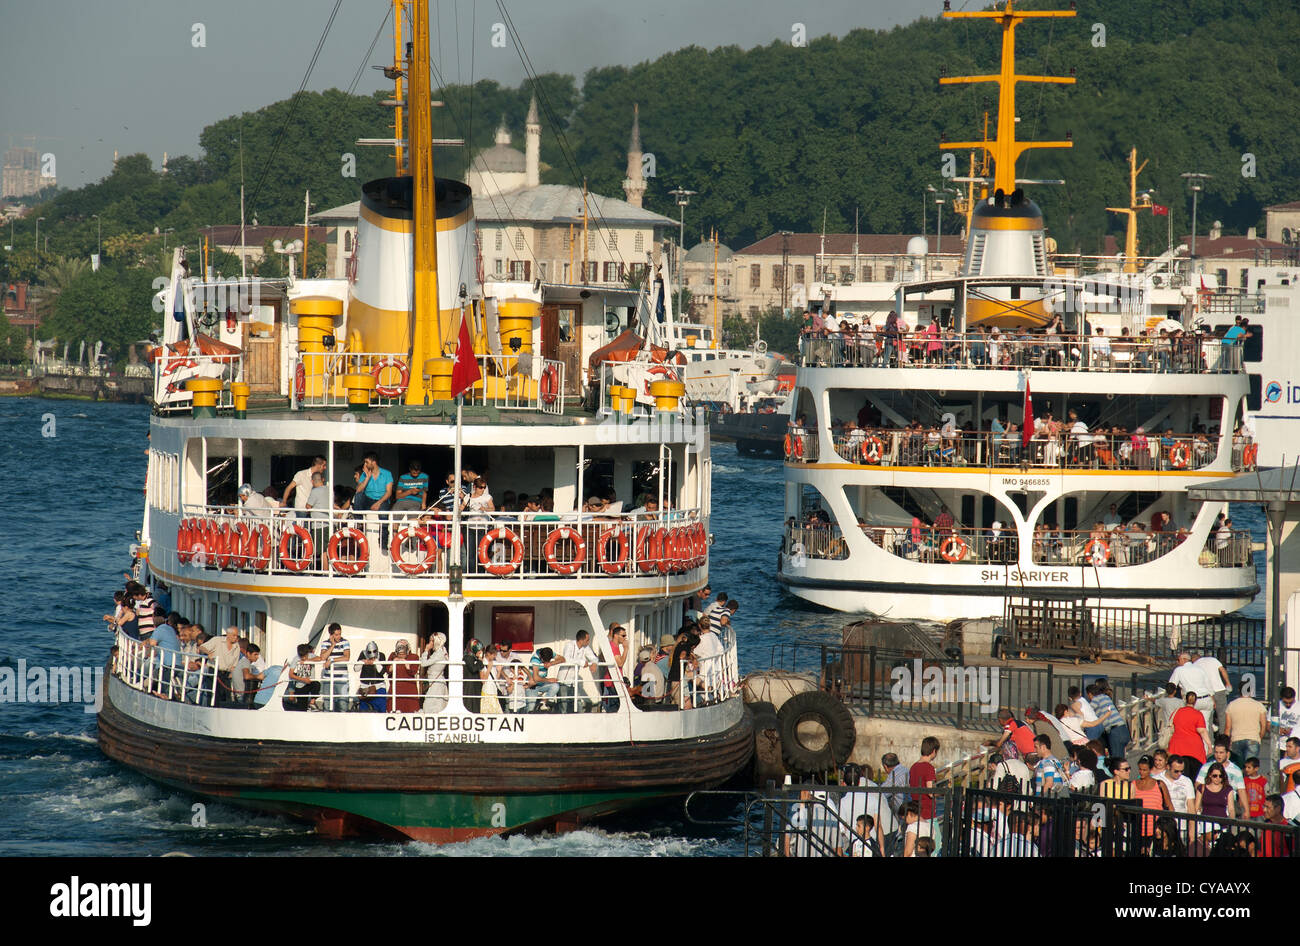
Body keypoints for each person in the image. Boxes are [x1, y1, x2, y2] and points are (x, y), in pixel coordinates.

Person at [1195, 736, 1249, 814]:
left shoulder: (1236, 770)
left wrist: (1247, 810)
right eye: (1216, 752)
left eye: (1221, 753)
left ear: (1227, 753)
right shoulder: (1206, 767)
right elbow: (1198, 785)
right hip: (1209, 805)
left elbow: (1241, 790)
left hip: (1229, 807)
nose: (1218, 755)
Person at [1168, 691, 1211, 779]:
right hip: (1194, 748)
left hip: (1177, 745)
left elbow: (1171, 726)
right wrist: (1209, 745)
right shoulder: (1198, 714)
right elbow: (1202, 731)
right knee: (1196, 773)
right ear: (1195, 702)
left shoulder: (1177, 712)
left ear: (1185, 700)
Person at [1226, 682, 1269, 766]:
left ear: (1239, 690)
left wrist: (1227, 742)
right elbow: (1263, 726)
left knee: (1237, 767)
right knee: (1250, 767)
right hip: (1253, 738)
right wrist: (1259, 738)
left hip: (1236, 738)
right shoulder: (1259, 705)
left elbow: (1228, 727)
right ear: (1251, 691)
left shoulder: (1231, 705)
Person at [909, 736, 939, 845]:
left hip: (916, 810)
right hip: (928, 812)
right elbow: (930, 792)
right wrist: (942, 793)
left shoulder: (913, 767)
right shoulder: (929, 768)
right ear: (934, 751)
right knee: (936, 844)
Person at [315, 623, 352, 712]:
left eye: (340, 634)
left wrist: (331, 660)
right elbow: (323, 657)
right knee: (327, 705)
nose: (339, 636)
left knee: (343, 705)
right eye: (336, 635)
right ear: (331, 635)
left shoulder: (345, 642)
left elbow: (346, 657)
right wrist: (332, 645)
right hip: (328, 679)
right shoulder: (325, 643)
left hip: (342, 679)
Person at [353, 641, 389, 712]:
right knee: (364, 710)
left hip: (379, 687)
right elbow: (355, 669)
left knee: (381, 709)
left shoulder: (381, 655)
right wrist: (363, 662)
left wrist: (375, 662)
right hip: (365, 687)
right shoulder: (363, 654)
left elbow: (382, 671)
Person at [283, 643, 320, 711]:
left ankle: (312, 702)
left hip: (309, 683)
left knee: (317, 684)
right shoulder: (296, 659)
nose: (303, 658)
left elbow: (319, 658)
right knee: (302, 708)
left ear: (307, 653)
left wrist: (308, 660)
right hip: (300, 685)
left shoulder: (311, 656)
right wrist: (303, 679)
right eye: (301, 656)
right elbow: (291, 674)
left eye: (305, 656)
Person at [419, 632, 449, 712]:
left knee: (429, 706)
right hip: (435, 682)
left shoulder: (439, 654)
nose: (430, 643)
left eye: (432, 641)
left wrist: (426, 650)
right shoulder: (442, 651)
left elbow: (423, 663)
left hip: (436, 684)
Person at [389, 639, 421, 712]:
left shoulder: (414, 657)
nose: (401, 655)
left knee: (410, 711)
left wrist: (406, 663)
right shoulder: (392, 656)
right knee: (394, 710)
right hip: (395, 688)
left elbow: (413, 671)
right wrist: (394, 662)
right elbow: (388, 670)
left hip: (409, 689)